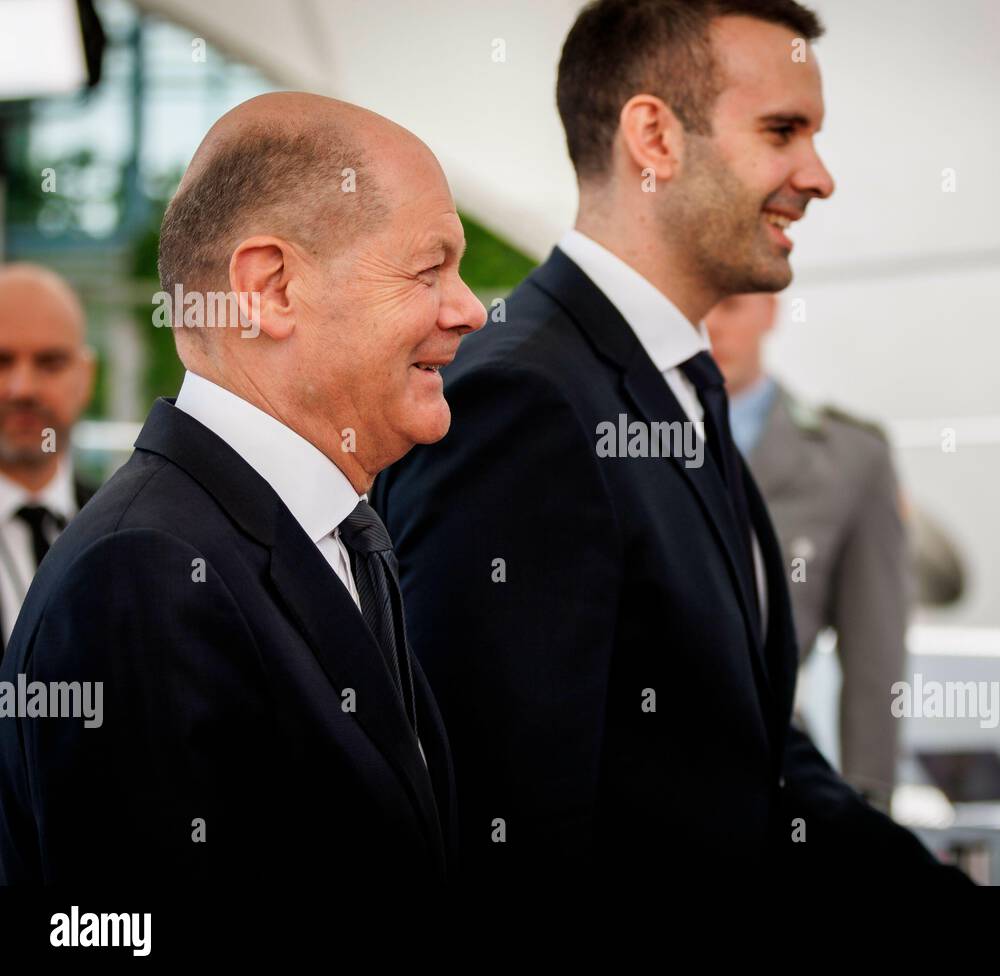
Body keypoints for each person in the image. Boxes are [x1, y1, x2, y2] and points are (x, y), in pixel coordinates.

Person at [374, 0, 969, 886]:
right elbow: (501, 829)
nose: (818, 175)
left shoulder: (675, 382)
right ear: (653, 138)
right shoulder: (522, 399)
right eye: (782, 130)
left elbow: (750, 757)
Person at [0, 92, 485, 883]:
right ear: (270, 288)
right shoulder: (144, 573)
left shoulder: (341, 533)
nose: (469, 311)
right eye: (429, 270)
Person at [706, 291, 967, 812]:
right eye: (700, 304)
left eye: (731, 304)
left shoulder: (851, 458)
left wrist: (868, 809)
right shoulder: (632, 434)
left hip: (768, 768)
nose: (712, 325)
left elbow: (875, 661)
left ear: (770, 311)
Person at [0, 264, 97, 652]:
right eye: (2, 361)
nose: (22, 388)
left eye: (49, 362)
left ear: (85, 377)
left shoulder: (129, 526)